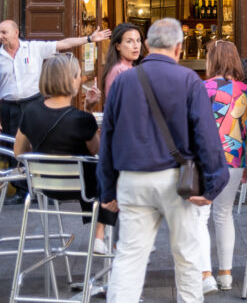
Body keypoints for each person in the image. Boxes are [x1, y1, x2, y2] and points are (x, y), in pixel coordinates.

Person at [97, 18, 229, 303]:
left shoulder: (123, 82)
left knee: (129, 258)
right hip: (178, 182)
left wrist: (106, 188)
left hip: (132, 178)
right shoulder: (189, 81)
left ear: (146, 45)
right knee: (187, 255)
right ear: (180, 48)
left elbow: (107, 136)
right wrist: (214, 184)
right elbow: (206, 136)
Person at [14, 53, 117, 254]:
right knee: (109, 174)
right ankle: (99, 235)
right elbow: (96, 150)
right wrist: (88, 109)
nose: (80, 79)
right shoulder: (81, 120)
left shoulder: (30, 112)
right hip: (84, 190)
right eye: (78, 75)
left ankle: (100, 235)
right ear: (70, 80)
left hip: (42, 187)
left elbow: (19, 152)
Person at [0, 19, 111, 203]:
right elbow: (97, 151)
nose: (1, 36)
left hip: (34, 103)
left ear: (15, 33)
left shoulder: (33, 48)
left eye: (4, 32)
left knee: (36, 145)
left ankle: (42, 186)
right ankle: (23, 191)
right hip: (9, 105)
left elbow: (64, 44)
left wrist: (89, 38)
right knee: (16, 147)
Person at [198, 40, 247, 293]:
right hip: (234, 159)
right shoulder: (245, 90)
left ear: (212, 59)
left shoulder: (202, 88)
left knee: (201, 217)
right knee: (224, 215)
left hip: (206, 159)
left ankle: (205, 276)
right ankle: (225, 275)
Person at [103, 22, 144, 98]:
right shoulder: (121, 70)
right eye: (129, 41)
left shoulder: (124, 67)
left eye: (138, 40)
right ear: (118, 46)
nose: (136, 46)